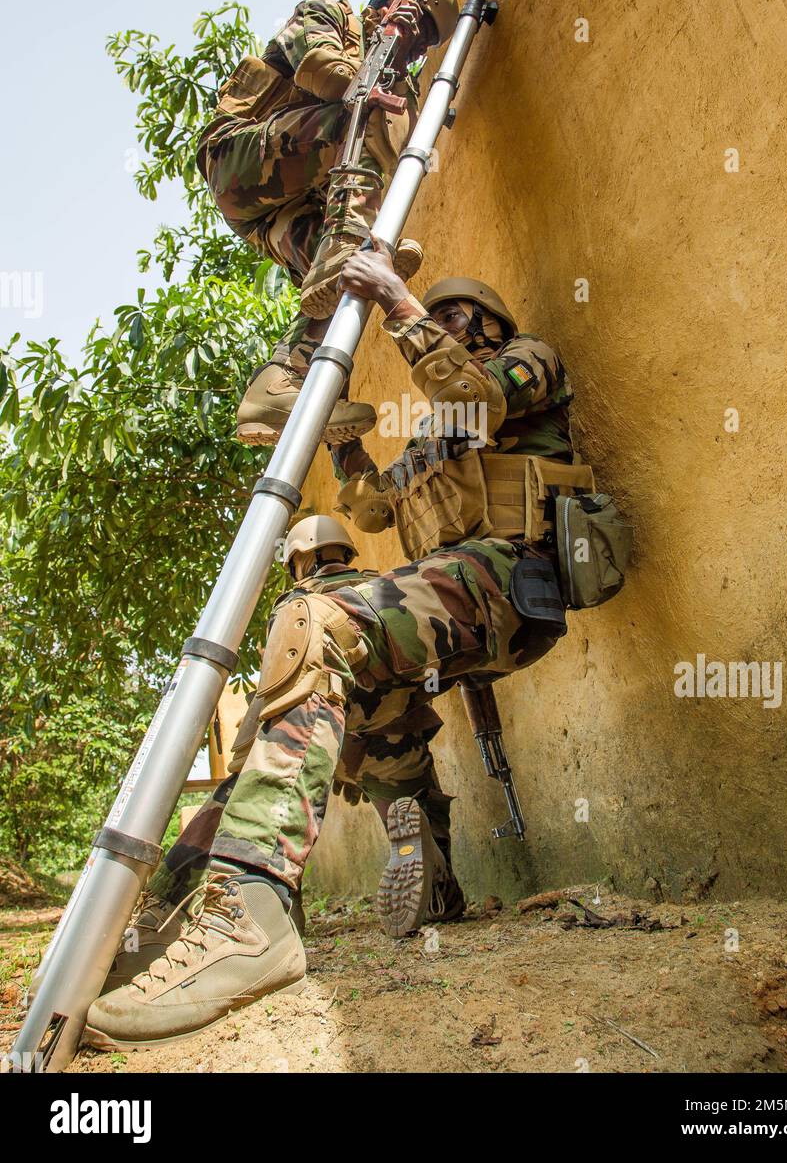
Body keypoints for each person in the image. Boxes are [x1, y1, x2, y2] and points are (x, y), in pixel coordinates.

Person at [85, 251, 592, 1049]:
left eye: (457, 315)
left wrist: (395, 301)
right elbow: (376, 509)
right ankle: (176, 903)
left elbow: (478, 398)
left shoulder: (526, 362)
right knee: (355, 698)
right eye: (439, 314)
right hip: (455, 591)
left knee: (315, 623)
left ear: (491, 324)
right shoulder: (435, 432)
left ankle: (251, 908)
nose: (444, 323)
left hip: (512, 580)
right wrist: (340, 444)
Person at [196, 0, 458, 447]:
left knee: (342, 297)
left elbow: (400, 155)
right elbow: (322, 72)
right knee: (362, 112)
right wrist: (383, 71)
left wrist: (401, 88)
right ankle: (346, 248)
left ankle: (282, 390)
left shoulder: (397, 79)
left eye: (425, 41)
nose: (415, 44)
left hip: (287, 213)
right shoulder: (329, 15)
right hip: (240, 164)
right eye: (416, 24)